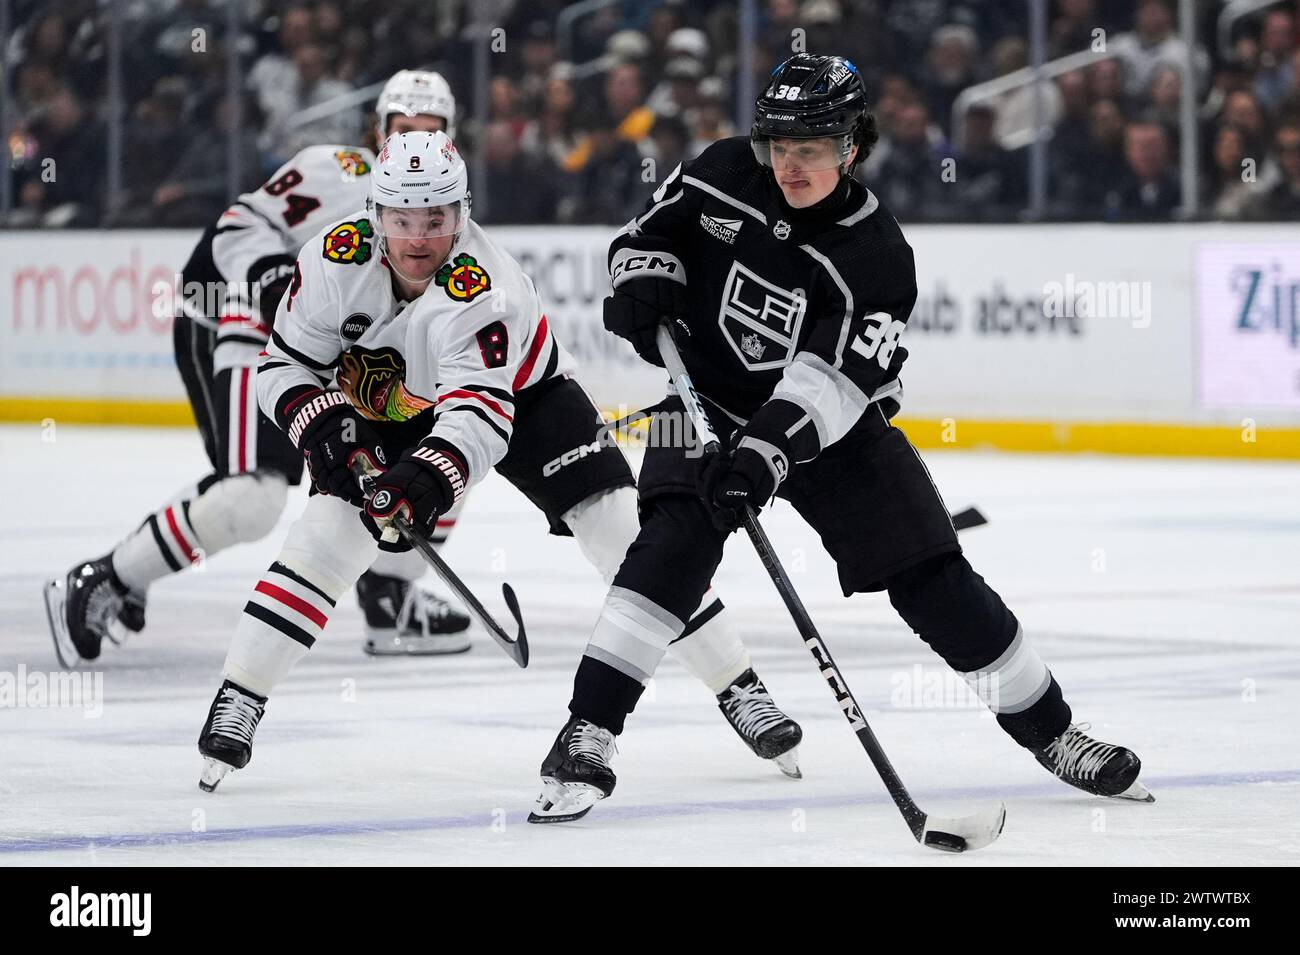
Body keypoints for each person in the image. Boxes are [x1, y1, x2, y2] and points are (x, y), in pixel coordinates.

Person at [529, 54, 1153, 824]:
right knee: (664, 553)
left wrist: (762, 452)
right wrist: (639, 280)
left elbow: (831, 382)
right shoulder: (723, 168)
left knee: (934, 580)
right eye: (780, 147)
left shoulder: (877, 255)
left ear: (852, 147)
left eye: (813, 149)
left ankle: (1055, 734)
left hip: (835, 436)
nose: (791, 165)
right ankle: (586, 733)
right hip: (701, 404)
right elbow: (642, 237)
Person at [195, 130, 803, 793]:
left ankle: (739, 687)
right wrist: (319, 427)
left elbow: (480, 419)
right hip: (391, 407)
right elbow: (283, 365)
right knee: (327, 535)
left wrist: (424, 483)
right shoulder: (332, 259)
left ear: (462, 213)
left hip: (528, 397)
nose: (420, 238)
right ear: (377, 214)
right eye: (403, 219)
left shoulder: (486, 287)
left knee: (626, 534)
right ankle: (242, 695)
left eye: (436, 218)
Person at [44, 71, 477, 665]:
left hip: (333, 347)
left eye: (432, 133)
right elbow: (237, 227)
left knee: (446, 435)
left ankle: (388, 593)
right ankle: (107, 577)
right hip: (245, 319)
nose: (416, 147)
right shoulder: (342, 171)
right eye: (405, 131)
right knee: (252, 498)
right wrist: (273, 276)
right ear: (377, 131)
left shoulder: (448, 210)